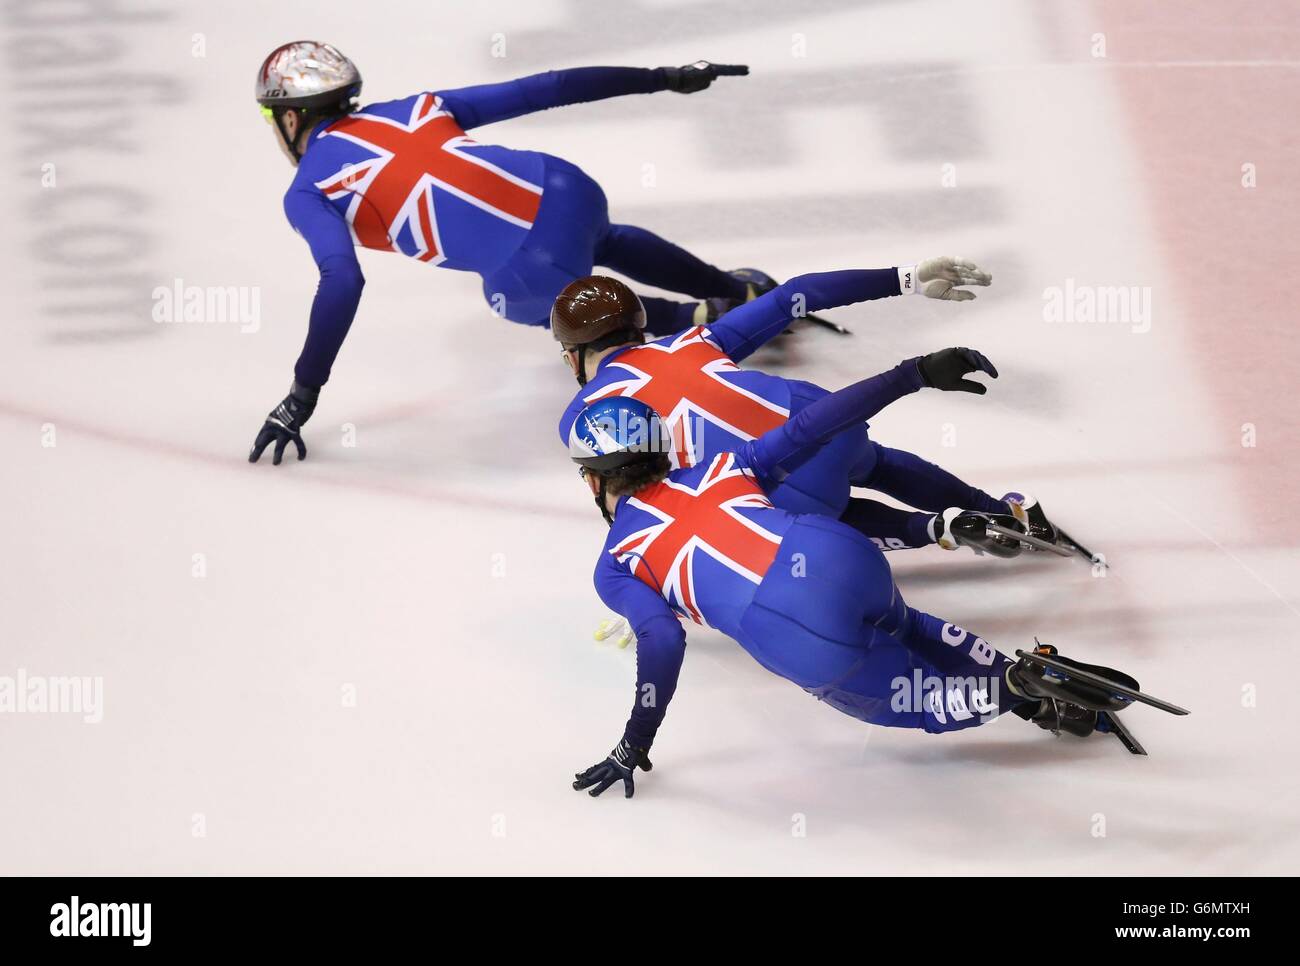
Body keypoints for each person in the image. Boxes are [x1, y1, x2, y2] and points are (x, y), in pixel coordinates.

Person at [565, 354, 1138, 798]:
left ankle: (1018, 688)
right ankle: (1036, 695)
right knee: (909, 626)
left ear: (593, 480)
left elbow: (663, 638)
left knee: (921, 701)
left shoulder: (616, 562)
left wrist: (633, 743)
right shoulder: (723, 467)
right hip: (838, 553)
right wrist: (911, 373)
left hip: (790, 626)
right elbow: (813, 426)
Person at [249, 40, 756, 464]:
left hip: (531, 264)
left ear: (291, 118)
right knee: (602, 238)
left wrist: (303, 393)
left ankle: (695, 320)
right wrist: (663, 77)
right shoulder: (418, 106)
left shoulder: (307, 190)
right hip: (566, 185)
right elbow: (546, 89)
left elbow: (342, 280)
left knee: (513, 299)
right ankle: (740, 289)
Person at [553, 268, 1064, 560]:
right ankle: (1005, 511)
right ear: (639, 331)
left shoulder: (584, 413)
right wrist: (905, 278)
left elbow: (630, 505)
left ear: (571, 354)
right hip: (823, 418)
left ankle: (942, 526)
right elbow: (798, 294)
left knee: (816, 509)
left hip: (771, 479)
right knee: (878, 464)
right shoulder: (693, 341)